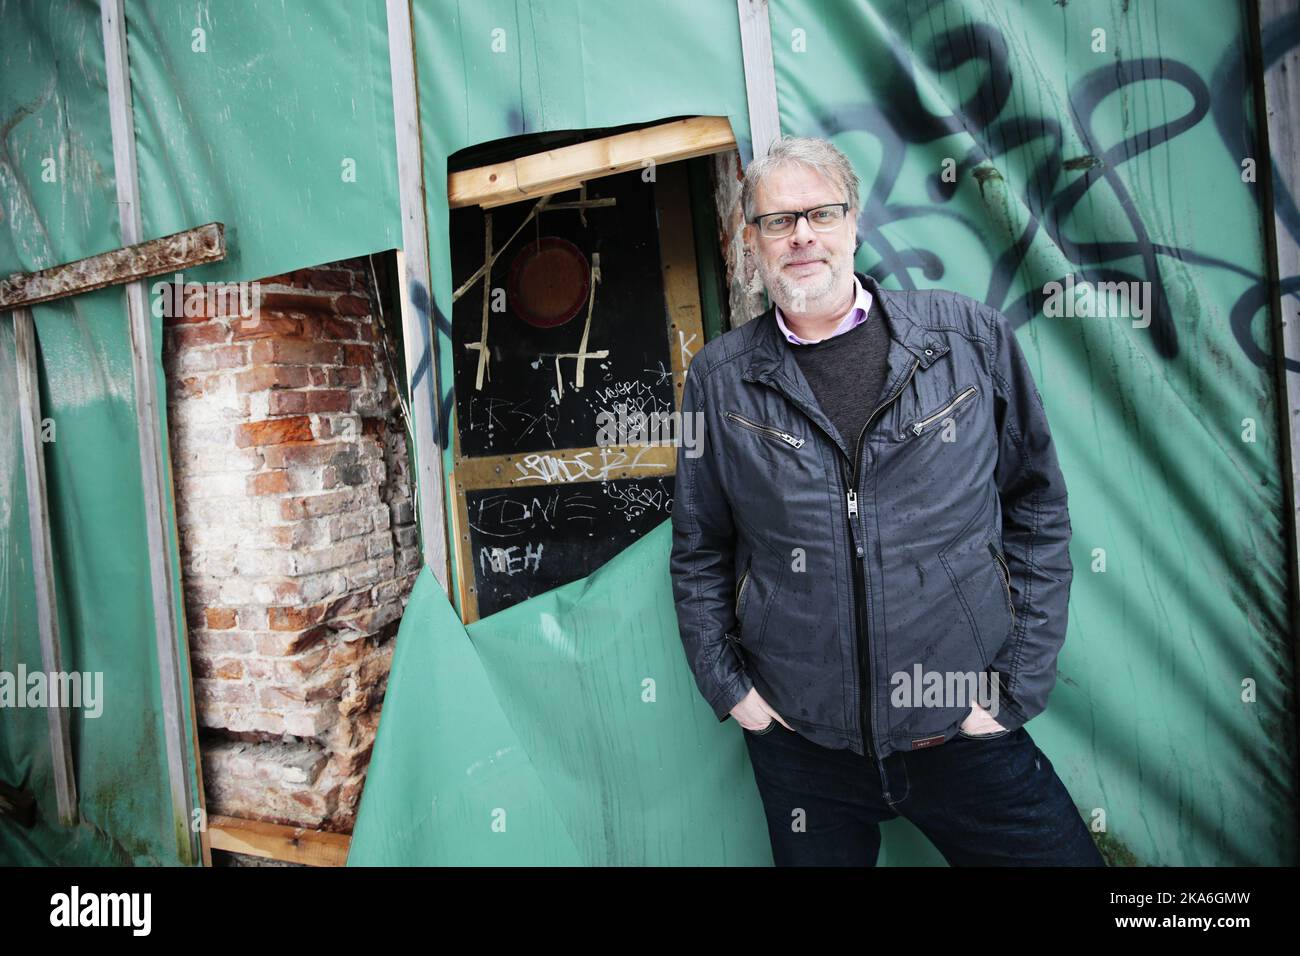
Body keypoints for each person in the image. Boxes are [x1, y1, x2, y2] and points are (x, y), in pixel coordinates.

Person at [668, 135, 1103, 867]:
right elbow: (699, 545)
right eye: (778, 220)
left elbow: (1037, 509)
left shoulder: (968, 341)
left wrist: (1012, 688)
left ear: (854, 222)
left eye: (821, 213)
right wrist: (732, 690)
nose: (802, 235)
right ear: (751, 240)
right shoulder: (719, 380)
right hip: (803, 747)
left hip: (963, 729)